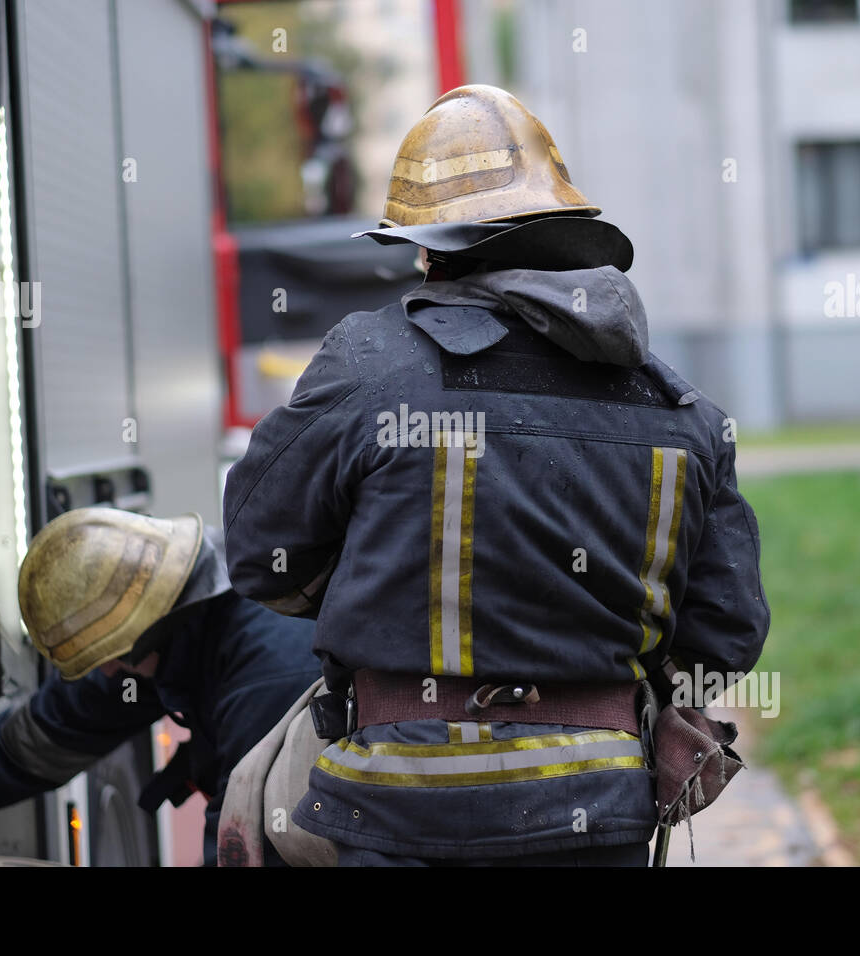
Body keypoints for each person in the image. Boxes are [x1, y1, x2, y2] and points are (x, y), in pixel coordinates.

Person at [222, 84, 771, 866]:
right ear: (566, 239)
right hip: (598, 814)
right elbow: (726, 635)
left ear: (435, 249)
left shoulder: (371, 366)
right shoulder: (686, 413)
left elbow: (259, 554)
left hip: (399, 811)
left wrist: (382, 592)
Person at [0, 507, 320, 866]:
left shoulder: (265, 680)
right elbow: (65, 722)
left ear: (150, 629)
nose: (107, 671)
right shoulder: (181, 616)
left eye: (112, 655)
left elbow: (247, 847)